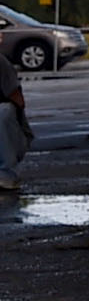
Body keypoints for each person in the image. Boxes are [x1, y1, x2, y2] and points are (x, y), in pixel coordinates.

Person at [0, 51, 29, 195]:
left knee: (3, 112)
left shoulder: (1, 63)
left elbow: (17, 100)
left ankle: (7, 174)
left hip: (10, 132)